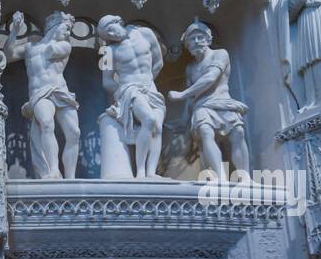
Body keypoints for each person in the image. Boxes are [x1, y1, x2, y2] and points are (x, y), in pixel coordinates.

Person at [168, 21, 248, 179]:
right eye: (192, 39)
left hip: (223, 101)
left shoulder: (220, 54)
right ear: (187, 45)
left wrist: (181, 94)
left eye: (200, 37)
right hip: (202, 106)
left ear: (209, 40)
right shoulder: (190, 68)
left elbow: (210, 78)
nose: (197, 41)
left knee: (237, 132)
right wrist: (184, 122)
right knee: (205, 132)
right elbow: (192, 98)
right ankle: (221, 178)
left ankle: (245, 178)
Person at [97, 15, 166, 178]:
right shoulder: (107, 52)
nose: (111, 35)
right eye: (107, 35)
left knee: (158, 128)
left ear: (118, 22)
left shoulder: (146, 33)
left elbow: (159, 62)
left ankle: (151, 173)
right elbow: (106, 81)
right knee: (148, 120)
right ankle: (140, 171)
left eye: (111, 30)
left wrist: (147, 82)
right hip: (129, 89)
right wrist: (124, 91)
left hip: (150, 88)